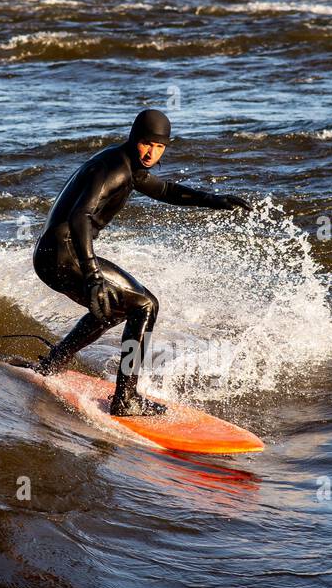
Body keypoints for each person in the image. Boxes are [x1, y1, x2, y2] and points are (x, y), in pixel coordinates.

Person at [32, 109, 249, 417]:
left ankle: (53, 363)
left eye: (160, 147)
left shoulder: (127, 164)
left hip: (57, 254)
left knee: (113, 305)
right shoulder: (115, 169)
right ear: (135, 138)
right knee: (145, 305)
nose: (152, 152)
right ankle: (125, 399)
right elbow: (81, 216)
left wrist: (213, 200)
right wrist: (93, 275)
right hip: (64, 256)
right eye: (147, 143)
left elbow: (165, 190)